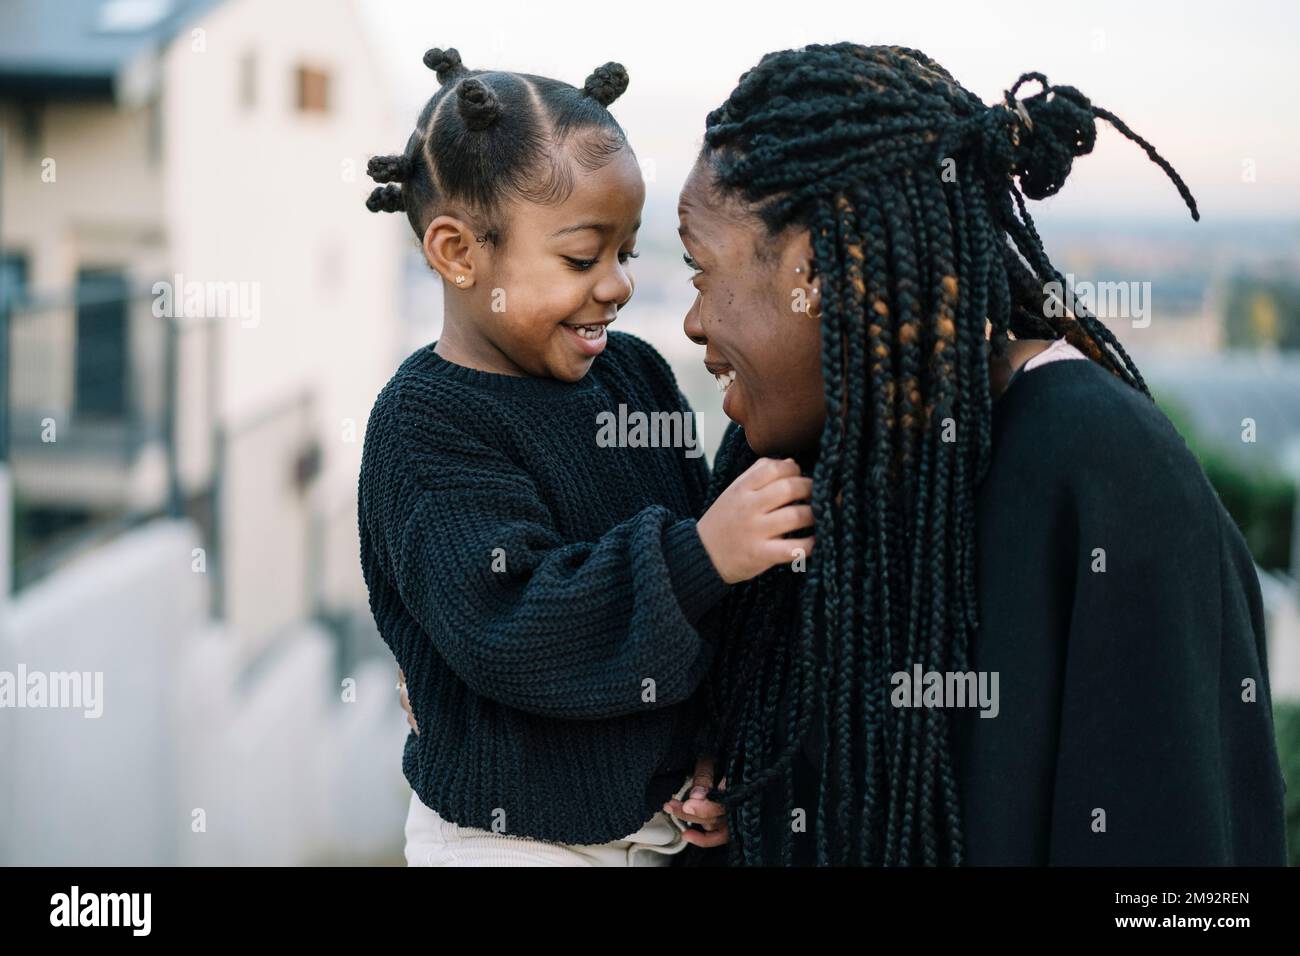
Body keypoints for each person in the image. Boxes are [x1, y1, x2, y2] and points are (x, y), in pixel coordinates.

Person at [668, 42, 1288, 866]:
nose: (692, 323)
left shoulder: (1105, 474)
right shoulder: (789, 463)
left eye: (699, 271)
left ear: (815, 270)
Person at [358, 47, 812, 866]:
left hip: (660, 829)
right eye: (580, 258)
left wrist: (705, 748)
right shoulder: (425, 428)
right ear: (459, 254)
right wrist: (703, 554)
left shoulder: (633, 375)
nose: (616, 286)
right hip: (512, 840)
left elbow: (700, 606)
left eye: (626, 254)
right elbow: (514, 626)